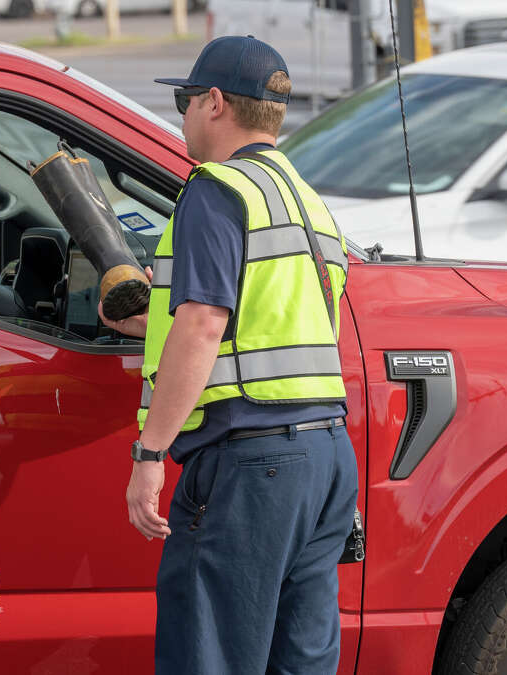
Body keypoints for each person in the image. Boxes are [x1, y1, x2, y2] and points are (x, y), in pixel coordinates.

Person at [100, 36, 359, 674]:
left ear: (214, 103)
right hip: (325, 460)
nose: (182, 115)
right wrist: (150, 321)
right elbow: (267, 319)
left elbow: (206, 323)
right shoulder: (306, 201)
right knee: (297, 661)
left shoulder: (218, 190)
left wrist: (150, 454)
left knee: (209, 654)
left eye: (186, 100)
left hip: (253, 467)